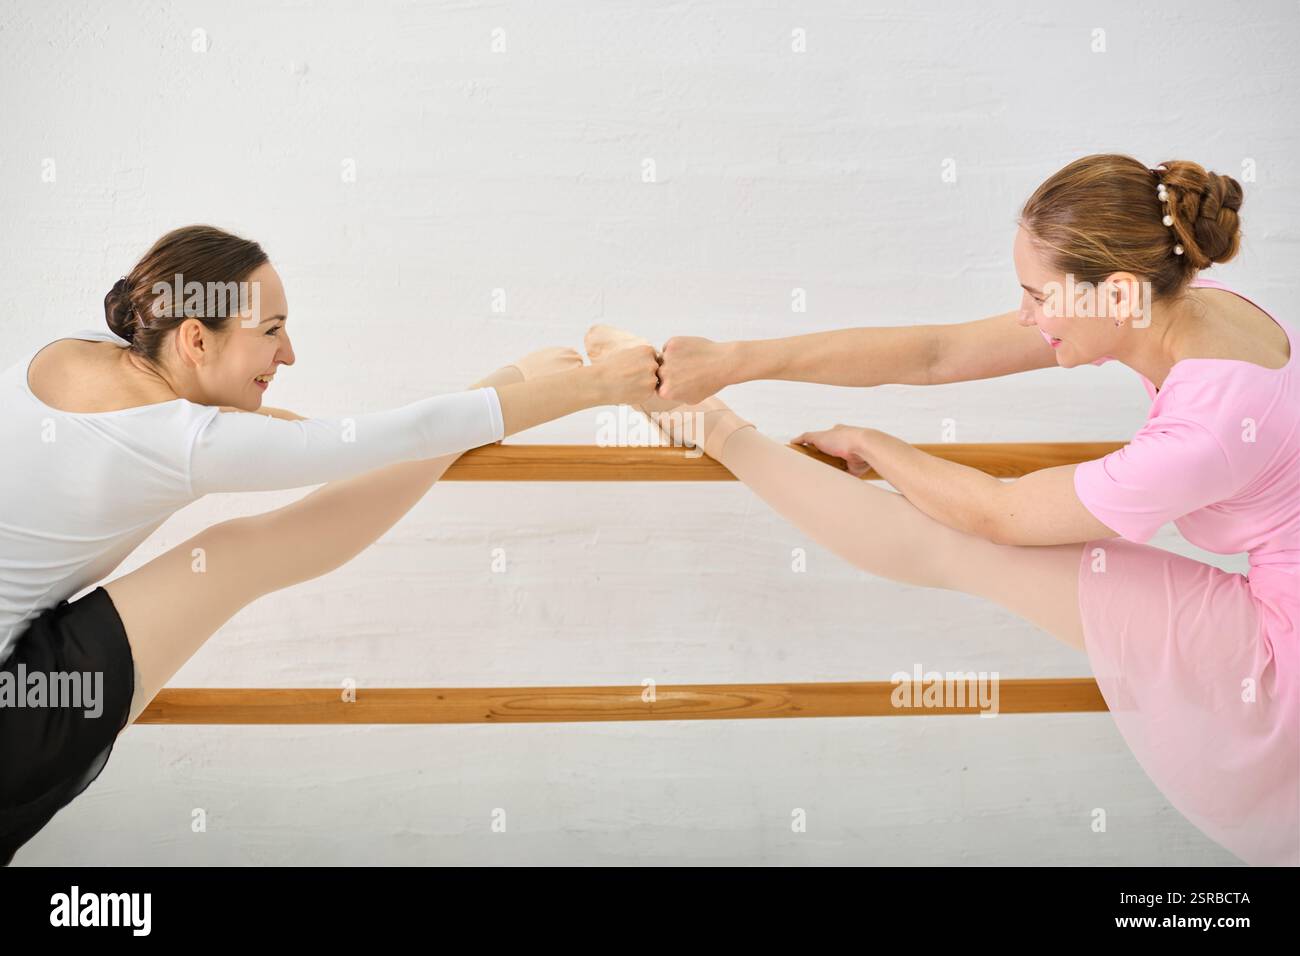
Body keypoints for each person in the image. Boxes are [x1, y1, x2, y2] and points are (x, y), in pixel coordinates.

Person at [586, 154, 1298, 866]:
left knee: (966, 546)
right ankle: (715, 413)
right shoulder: (1198, 306)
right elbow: (937, 353)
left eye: (1037, 297)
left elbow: (999, 514)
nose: (1026, 317)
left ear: (1114, 295)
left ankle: (711, 429)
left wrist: (877, 444)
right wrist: (734, 358)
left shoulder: (1207, 428)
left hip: (1278, 676)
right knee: (967, 538)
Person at [0, 224, 659, 864]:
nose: (288, 355)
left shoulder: (72, 349)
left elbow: (290, 437)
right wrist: (585, 385)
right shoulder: (185, 442)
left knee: (235, 549)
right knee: (237, 555)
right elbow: (383, 438)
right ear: (196, 338)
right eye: (272, 332)